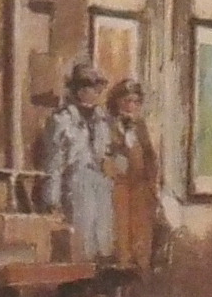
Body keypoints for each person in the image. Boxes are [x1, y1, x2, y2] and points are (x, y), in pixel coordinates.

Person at [38, 62, 116, 263]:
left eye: (95, 87)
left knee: (103, 238)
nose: (91, 92)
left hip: (101, 183)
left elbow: (110, 153)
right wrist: (52, 199)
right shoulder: (61, 119)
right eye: (85, 86)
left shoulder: (104, 120)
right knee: (80, 239)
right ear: (75, 89)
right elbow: (54, 162)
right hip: (75, 183)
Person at [104, 78, 165, 273]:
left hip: (140, 191)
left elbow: (150, 158)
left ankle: (141, 276)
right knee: (121, 243)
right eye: (126, 101)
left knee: (142, 243)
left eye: (135, 102)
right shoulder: (108, 126)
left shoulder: (141, 127)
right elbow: (105, 158)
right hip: (119, 190)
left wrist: (152, 183)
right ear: (117, 102)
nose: (131, 106)